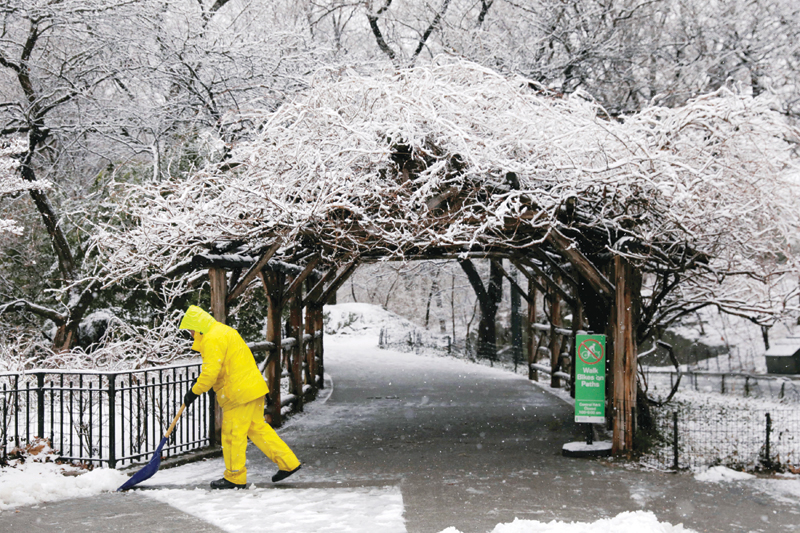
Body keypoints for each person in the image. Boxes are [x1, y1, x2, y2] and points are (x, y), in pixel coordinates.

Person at [180, 305, 302, 489]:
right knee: (258, 429)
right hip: (253, 388)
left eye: (190, 330)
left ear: (197, 327)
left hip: (238, 394)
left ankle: (234, 477)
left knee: (232, 435)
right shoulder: (224, 331)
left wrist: (193, 392)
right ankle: (288, 462)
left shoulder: (211, 339)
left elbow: (210, 372)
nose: (190, 334)